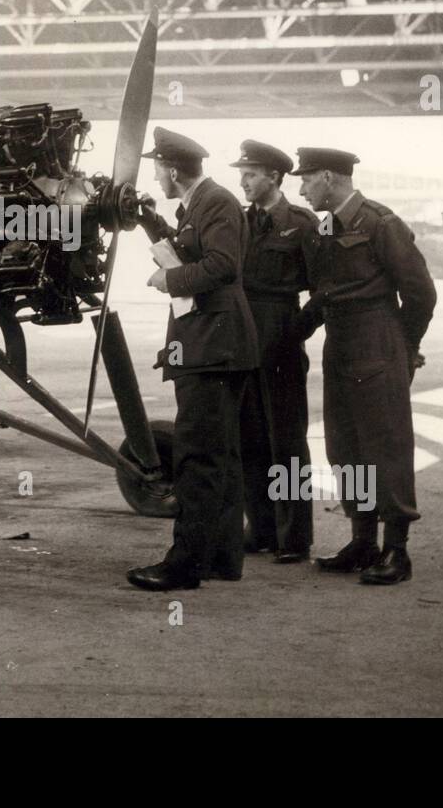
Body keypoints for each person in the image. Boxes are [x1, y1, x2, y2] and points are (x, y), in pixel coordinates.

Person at [292, 148, 437, 585]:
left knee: (387, 447)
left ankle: (397, 552)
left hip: (377, 339)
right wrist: (288, 335)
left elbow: (420, 294)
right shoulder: (324, 229)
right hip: (339, 344)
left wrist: (403, 348)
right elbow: (324, 294)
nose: (300, 188)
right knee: (345, 447)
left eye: (307, 180)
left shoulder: (380, 223)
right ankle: (363, 542)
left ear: (330, 178)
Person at [127, 127, 260, 591]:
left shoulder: (217, 202)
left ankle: (184, 564)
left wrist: (171, 281)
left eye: (157, 168)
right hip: (212, 344)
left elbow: (223, 265)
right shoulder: (200, 205)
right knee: (220, 455)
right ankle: (222, 556)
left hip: (213, 347)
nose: (156, 176)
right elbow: (191, 248)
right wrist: (148, 221)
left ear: (174, 169)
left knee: (197, 457)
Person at [231, 140, 319, 564]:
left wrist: (292, 332)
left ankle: (294, 536)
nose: (243, 181)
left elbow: (324, 292)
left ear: (274, 177)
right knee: (249, 438)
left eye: (251, 174)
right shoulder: (240, 222)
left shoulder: (301, 224)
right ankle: (261, 527)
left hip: (280, 333)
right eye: (242, 173)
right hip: (243, 333)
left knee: (286, 441)